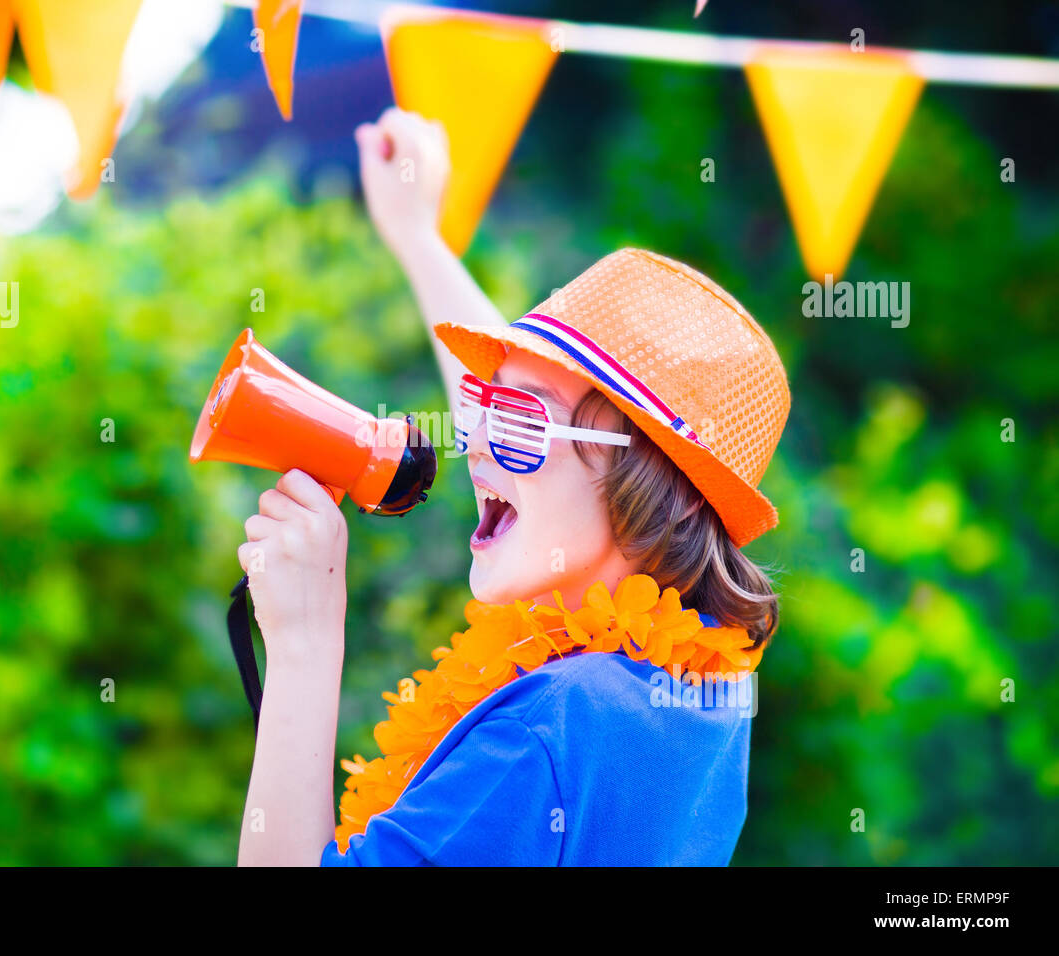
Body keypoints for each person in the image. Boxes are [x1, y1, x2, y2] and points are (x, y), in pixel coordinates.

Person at [234, 108, 790, 866]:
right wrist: (416, 235)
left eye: (522, 426)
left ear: (664, 496)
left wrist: (302, 645)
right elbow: (560, 458)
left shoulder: (551, 729)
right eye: (481, 409)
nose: (477, 448)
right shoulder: (698, 702)